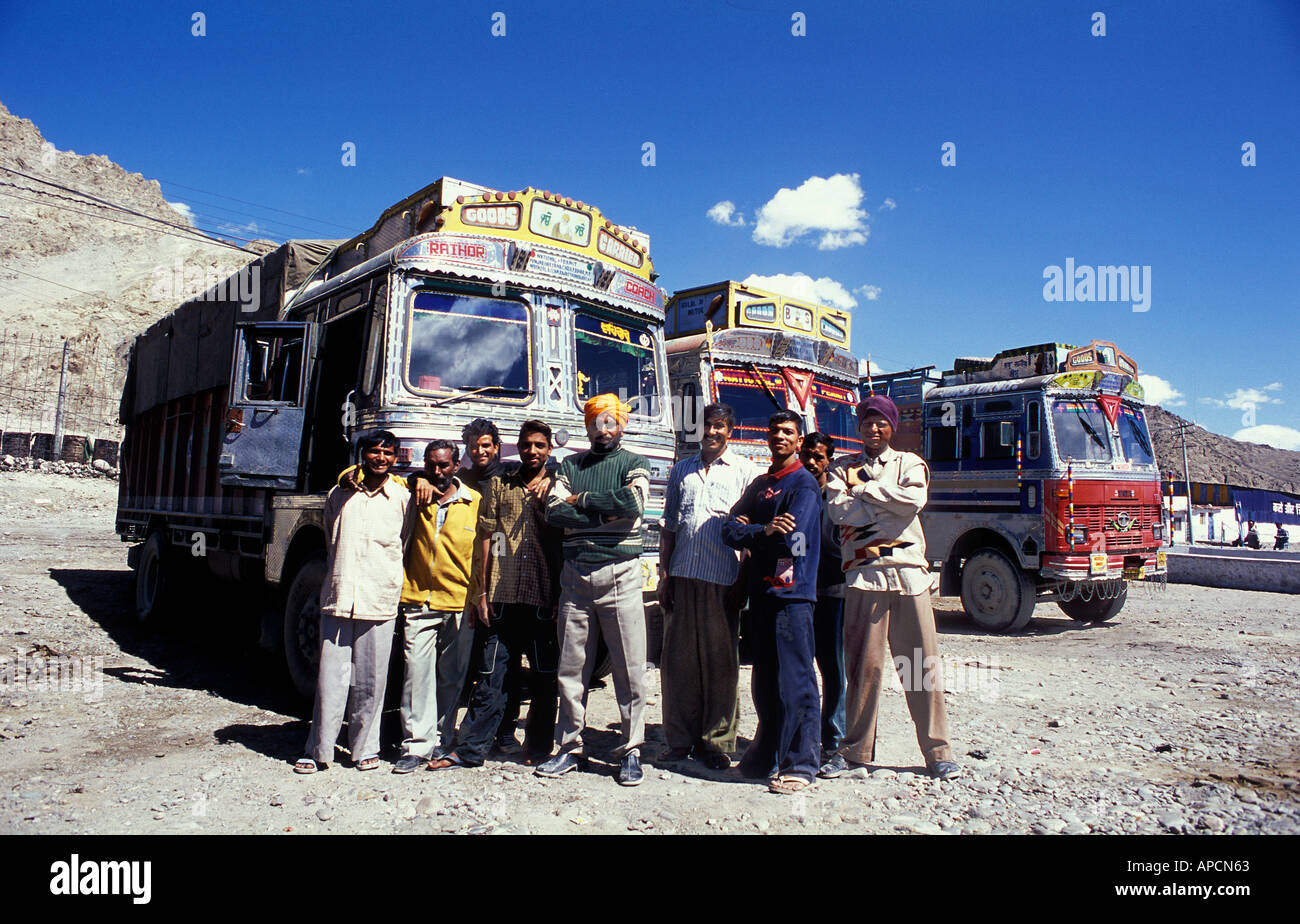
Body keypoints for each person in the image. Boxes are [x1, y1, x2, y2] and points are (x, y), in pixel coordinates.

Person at [822, 394, 961, 781]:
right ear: (860, 426)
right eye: (867, 421)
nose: (873, 428)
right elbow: (838, 511)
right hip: (864, 575)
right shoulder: (840, 467)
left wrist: (864, 491)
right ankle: (854, 751)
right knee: (863, 668)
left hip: (909, 575)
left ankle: (938, 752)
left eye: (881, 422)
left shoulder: (910, 463)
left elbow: (912, 502)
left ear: (891, 427)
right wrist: (884, 501)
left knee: (920, 668)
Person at [427, 420, 564, 771]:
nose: (532, 451)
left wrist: (561, 597)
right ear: (516, 448)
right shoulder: (500, 485)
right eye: (527, 445)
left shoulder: (560, 486)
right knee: (491, 675)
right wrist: (482, 593)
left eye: (540, 445)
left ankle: (537, 745)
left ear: (549, 449)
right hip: (502, 597)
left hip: (543, 598)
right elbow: (485, 538)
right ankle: (471, 749)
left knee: (545, 678)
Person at [536, 394, 651, 786]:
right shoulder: (570, 463)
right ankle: (568, 747)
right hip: (575, 575)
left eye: (611, 422)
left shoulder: (635, 462)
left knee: (630, 667)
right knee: (571, 668)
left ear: (621, 425)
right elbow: (552, 511)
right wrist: (607, 512)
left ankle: (631, 749)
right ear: (587, 426)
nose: (603, 429)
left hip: (621, 573)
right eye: (596, 422)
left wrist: (581, 501)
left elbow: (633, 503)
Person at [296, 431, 411, 773]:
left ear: (395, 458)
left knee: (372, 679)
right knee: (330, 677)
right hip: (340, 593)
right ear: (362, 456)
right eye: (374, 451)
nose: (380, 457)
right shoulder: (339, 493)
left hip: (380, 595)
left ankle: (364, 749)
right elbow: (331, 537)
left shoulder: (402, 499)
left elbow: (405, 542)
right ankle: (318, 750)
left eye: (387, 453)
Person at [722, 410, 823, 795]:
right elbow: (727, 529)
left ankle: (801, 763)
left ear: (799, 441)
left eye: (788, 432)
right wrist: (760, 529)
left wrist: (755, 533)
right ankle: (764, 754)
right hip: (759, 596)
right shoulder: (762, 484)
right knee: (763, 680)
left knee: (796, 680)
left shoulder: (804, 485)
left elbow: (792, 541)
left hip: (791, 595)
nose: (779, 436)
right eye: (775, 430)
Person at [656, 403, 759, 770]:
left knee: (720, 664)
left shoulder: (746, 471)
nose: (712, 432)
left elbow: (749, 534)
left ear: (730, 430)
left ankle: (717, 743)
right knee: (677, 664)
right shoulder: (681, 470)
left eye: (719, 426)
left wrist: (742, 582)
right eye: (706, 425)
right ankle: (679, 740)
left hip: (723, 579)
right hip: (683, 576)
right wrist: (664, 576)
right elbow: (669, 527)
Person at [388, 439, 481, 773]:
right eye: (431, 465)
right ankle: (415, 745)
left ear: (456, 466)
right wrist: (415, 478)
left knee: (451, 677)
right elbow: (360, 473)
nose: (438, 472)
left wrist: (479, 598)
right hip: (419, 599)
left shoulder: (474, 502)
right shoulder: (415, 492)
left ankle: (441, 740)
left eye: (444, 465)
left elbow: (484, 554)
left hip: (459, 602)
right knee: (416, 675)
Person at [799, 431, 847, 765]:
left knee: (834, 668)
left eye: (819, 457)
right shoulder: (798, 491)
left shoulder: (839, 496)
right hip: (801, 593)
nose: (813, 462)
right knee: (801, 667)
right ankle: (804, 737)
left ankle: (834, 740)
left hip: (834, 591)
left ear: (829, 459)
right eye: (808, 455)